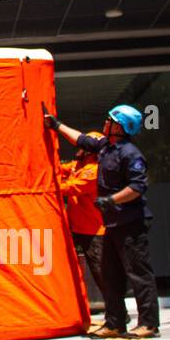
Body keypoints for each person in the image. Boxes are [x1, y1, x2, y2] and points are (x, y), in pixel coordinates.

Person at [45, 104, 158, 339]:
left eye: (110, 120)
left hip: (131, 222)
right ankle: (115, 323)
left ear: (121, 126)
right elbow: (83, 140)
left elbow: (138, 186)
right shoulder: (106, 146)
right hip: (112, 224)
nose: (106, 122)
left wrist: (111, 200)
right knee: (110, 275)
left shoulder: (130, 153)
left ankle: (148, 324)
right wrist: (56, 125)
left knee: (138, 273)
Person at [59, 130, 106, 328]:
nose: (78, 148)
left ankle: (116, 312)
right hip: (78, 228)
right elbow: (62, 169)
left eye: (83, 146)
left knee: (100, 273)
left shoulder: (94, 170)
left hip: (94, 232)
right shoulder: (79, 165)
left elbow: (70, 188)